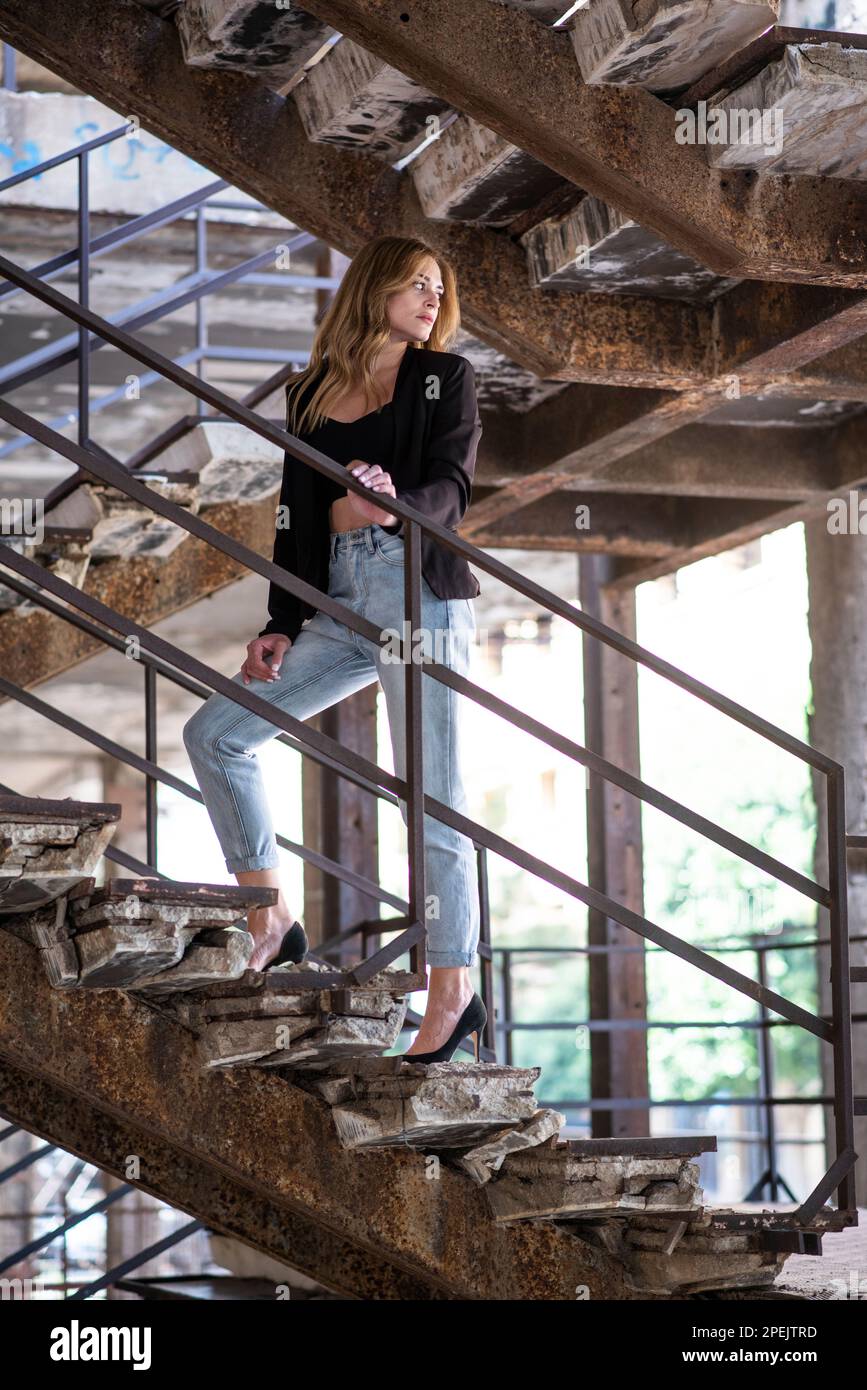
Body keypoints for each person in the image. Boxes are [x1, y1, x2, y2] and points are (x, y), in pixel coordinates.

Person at [183, 235, 486, 1062]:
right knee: (216, 733)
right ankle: (270, 916)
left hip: (417, 592)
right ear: (374, 288)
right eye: (415, 284)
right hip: (338, 597)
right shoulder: (312, 391)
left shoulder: (442, 378)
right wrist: (281, 619)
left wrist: (398, 507)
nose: (431, 300)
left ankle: (453, 993)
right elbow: (297, 514)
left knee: (431, 798)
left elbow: (453, 485)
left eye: (438, 288)